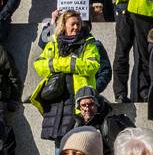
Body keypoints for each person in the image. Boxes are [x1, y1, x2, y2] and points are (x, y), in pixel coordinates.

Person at [28, 9, 109, 143]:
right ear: (64, 25)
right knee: (59, 143)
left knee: (79, 142)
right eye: (73, 24)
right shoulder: (53, 42)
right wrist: (71, 63)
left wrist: (60, 63)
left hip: (80, 98)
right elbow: (39, 64)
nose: (76, 27)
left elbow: (92, 66)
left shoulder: (88, 43)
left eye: (78, 24)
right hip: (57, 99)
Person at [72, 87, 134, 155]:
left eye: (91, 104)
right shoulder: (77, 124)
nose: (87, 108)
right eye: (83, 105)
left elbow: (118, 151)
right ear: (78, 107)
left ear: (97, 104)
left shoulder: (108, 122)